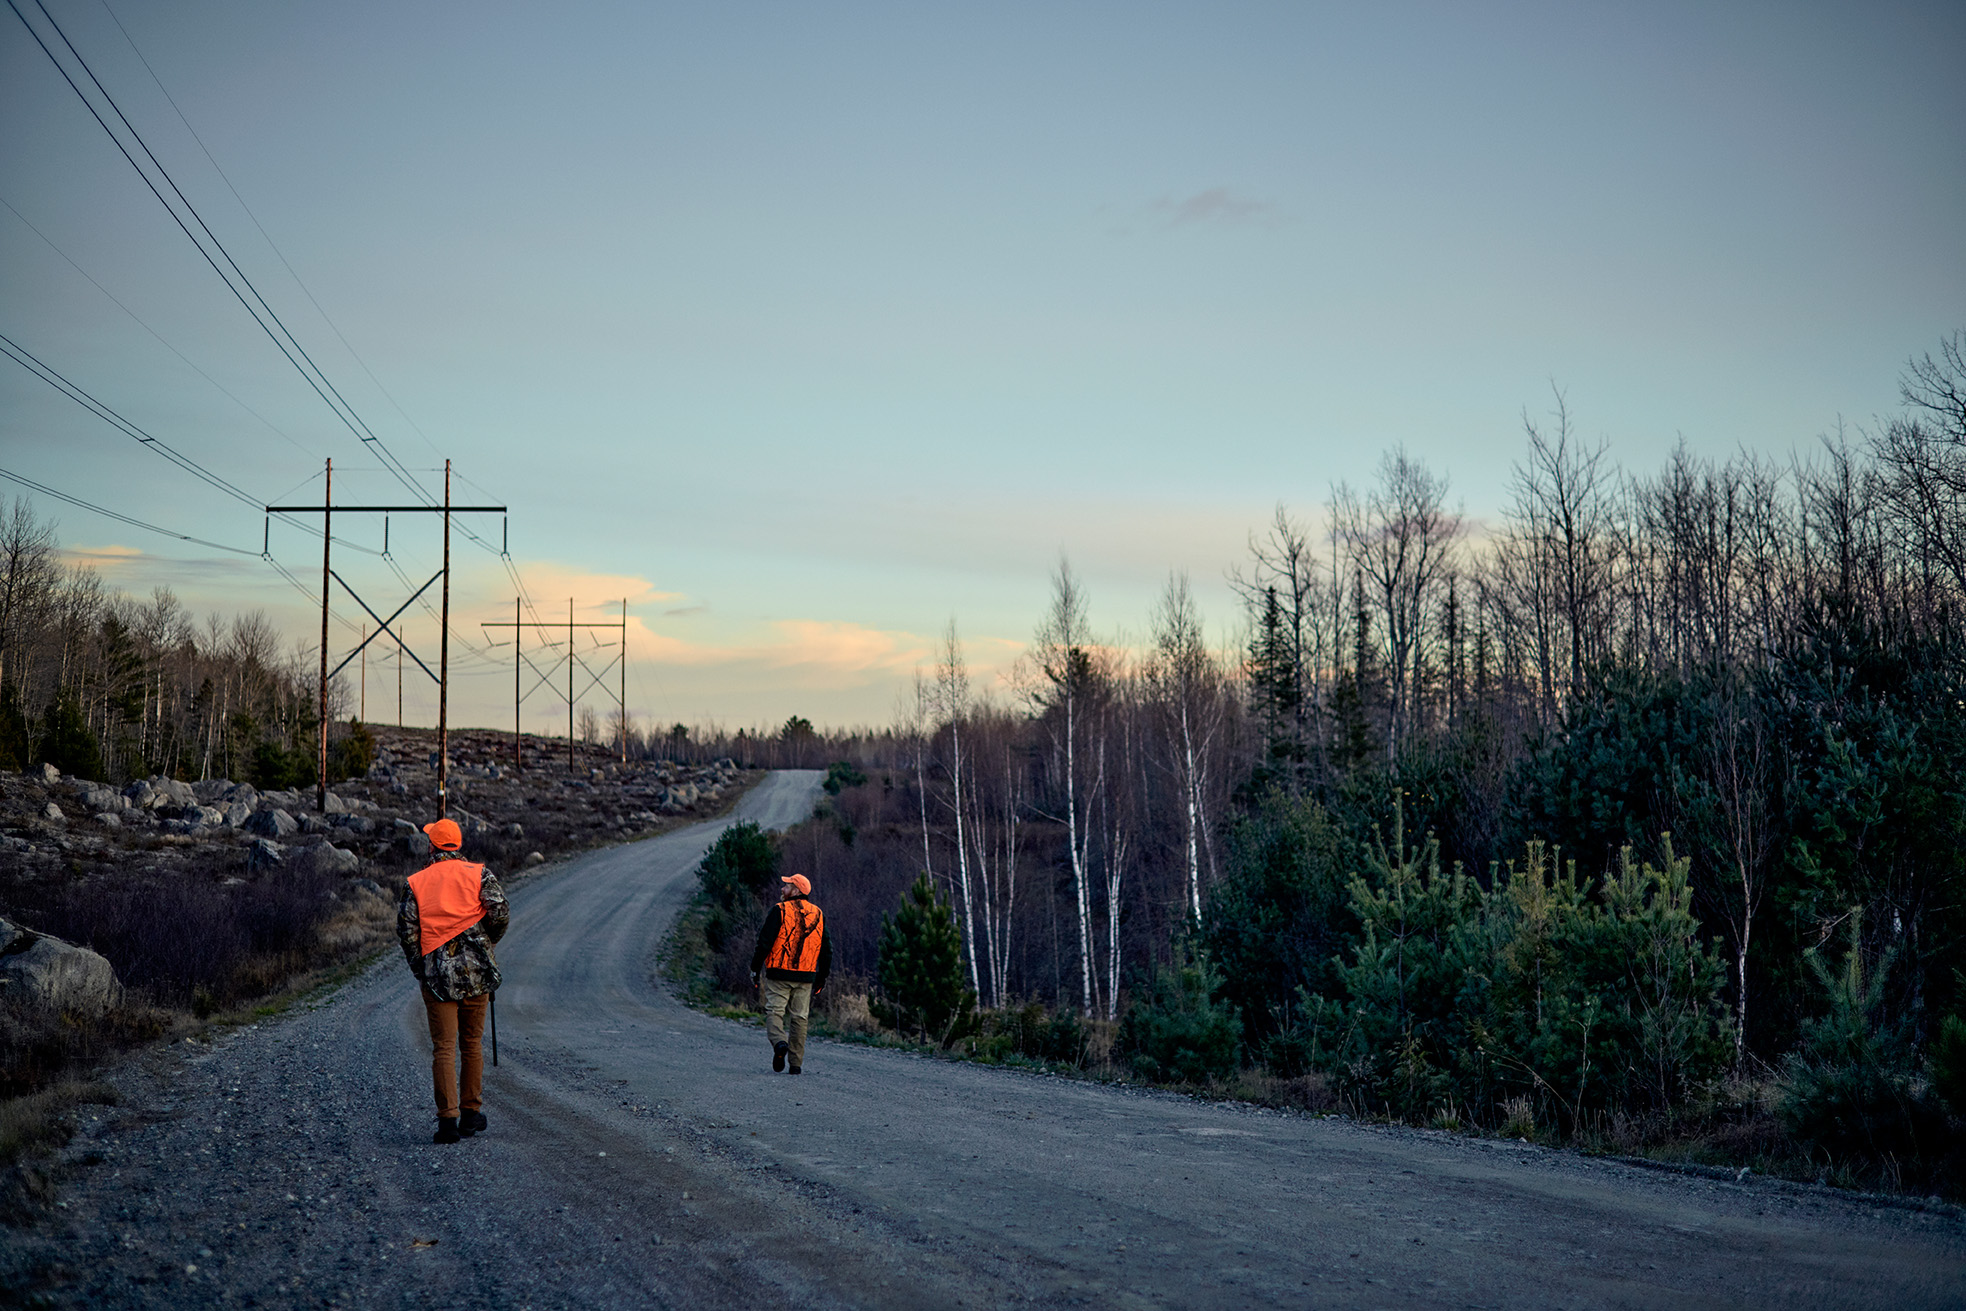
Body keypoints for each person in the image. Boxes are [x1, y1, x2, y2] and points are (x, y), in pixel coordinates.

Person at [397, 817, 509, 1144]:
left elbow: (406, 931)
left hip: (437, 976)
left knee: (444, 1048)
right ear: (457, 845)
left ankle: (448, 1122)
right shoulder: (479, 874)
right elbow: (499, 911)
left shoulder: (416, 882)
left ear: (432, 845)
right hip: (476, 971)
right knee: (471, 1044)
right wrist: (488, 942)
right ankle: (471, 1115)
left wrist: (422, 967)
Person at [750, 872, 831, 1075]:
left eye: (786, 886)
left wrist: (755, 968)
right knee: (800, 1018)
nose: (782, 889)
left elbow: (764, 943)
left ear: (796, 891)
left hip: (779, 974)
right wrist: (821, 978)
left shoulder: (779, 910)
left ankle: (779, 1043)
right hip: (806, 976)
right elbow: (827, 949)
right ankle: (795, 1064)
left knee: (775, 1012)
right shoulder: (818, 914)